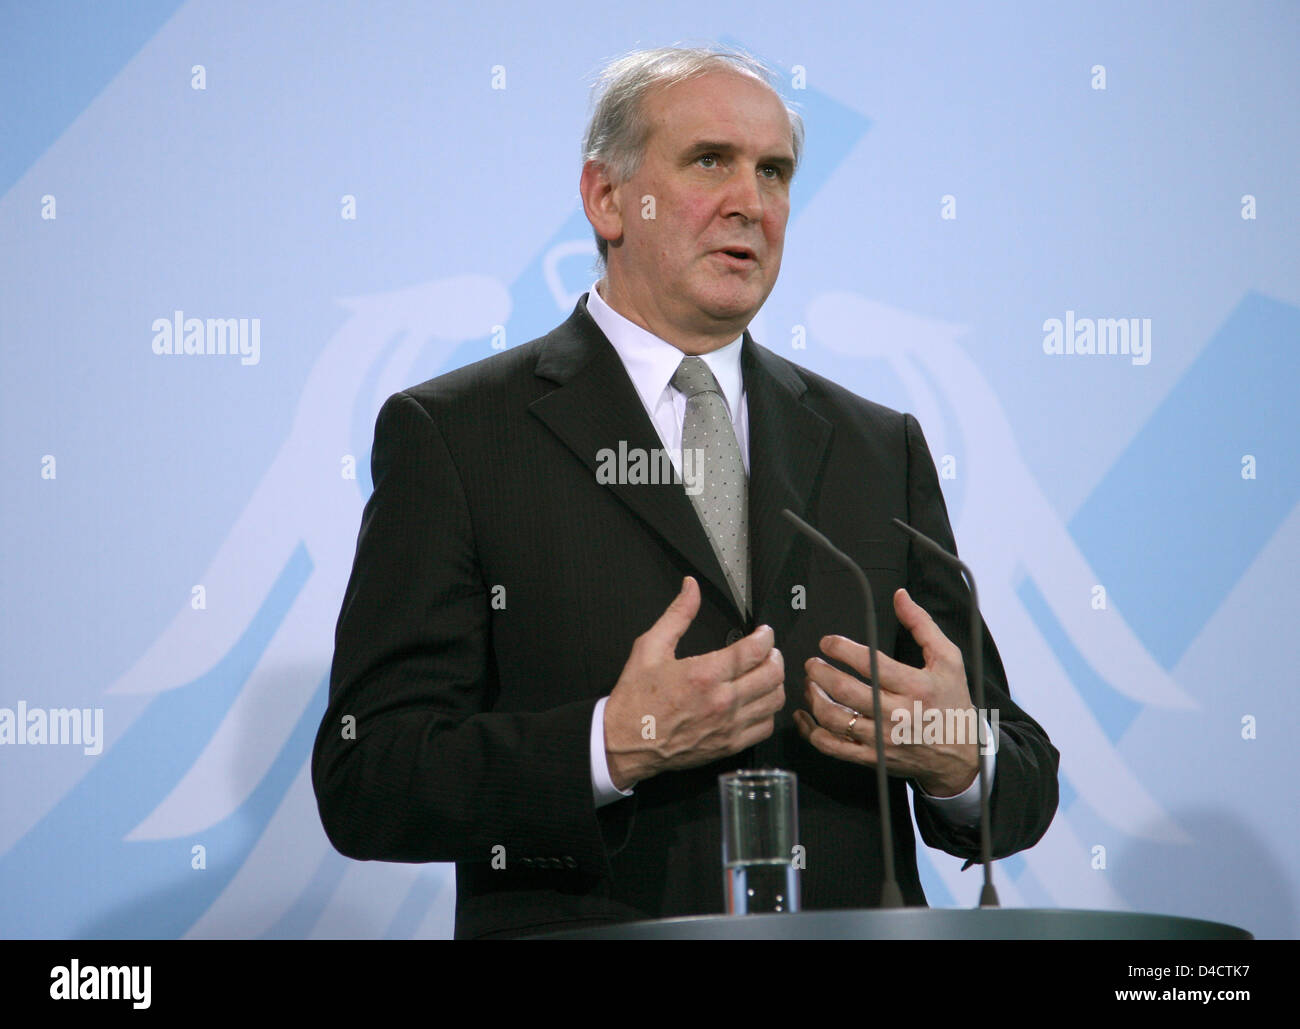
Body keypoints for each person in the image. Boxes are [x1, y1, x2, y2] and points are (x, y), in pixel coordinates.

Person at [311, 45, 1059, 939]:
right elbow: (369, 777)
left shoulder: (876, 444)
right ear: (606, 198)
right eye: (711, 161)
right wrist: (608, 744)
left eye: (774, 172)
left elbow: (1023, 771)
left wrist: (958, 760)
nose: (752, 201)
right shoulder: (460, 436)